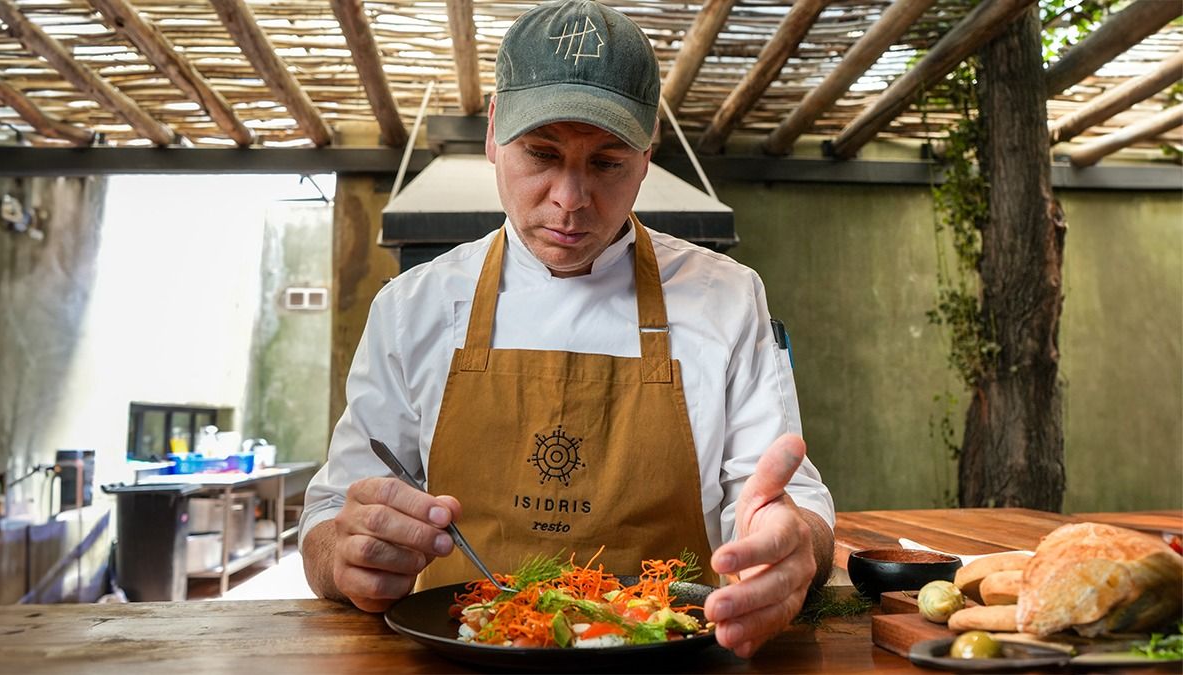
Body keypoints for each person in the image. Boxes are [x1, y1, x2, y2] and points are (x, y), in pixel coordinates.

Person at [300, 0, 834, 657]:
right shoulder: (412, 306)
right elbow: (327, 518)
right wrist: (345, 552)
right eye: (542, 154)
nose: (570, 198)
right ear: (495, 133)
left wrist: (790, 543)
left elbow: (797, 511)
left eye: (606, 162)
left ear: (647, 153)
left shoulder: (727, 298)